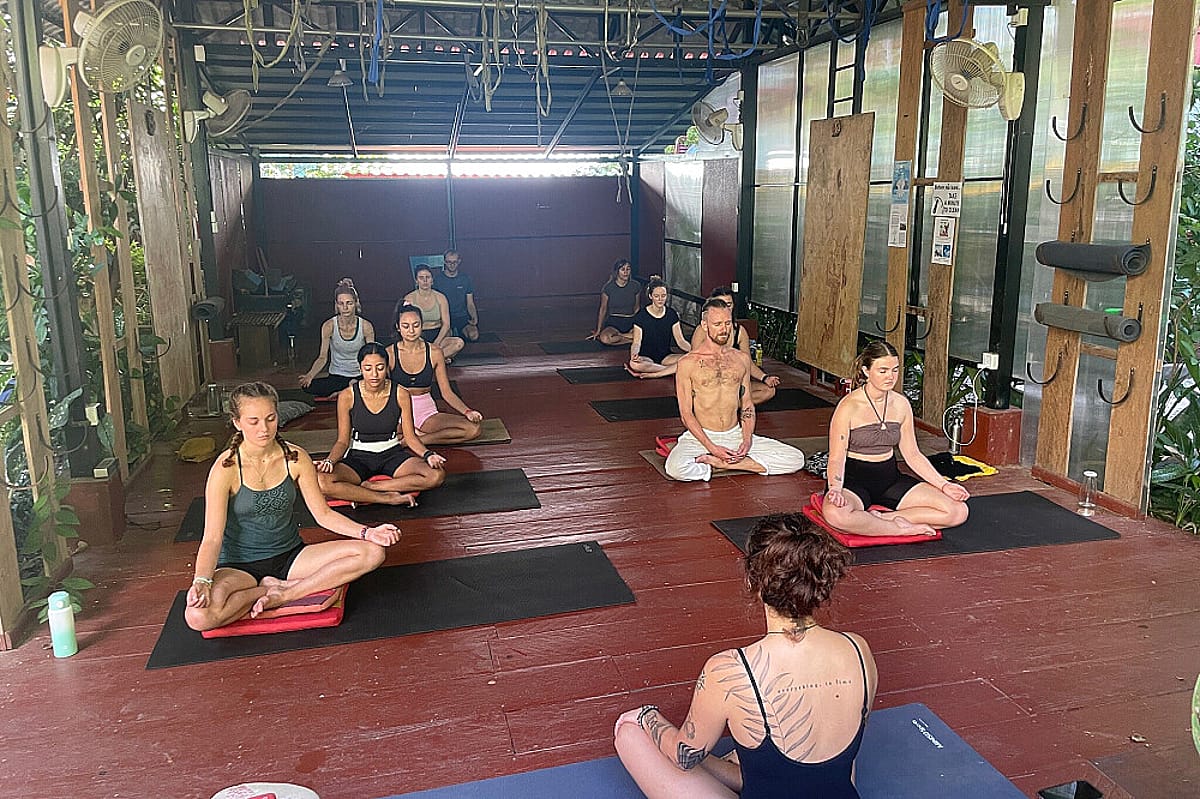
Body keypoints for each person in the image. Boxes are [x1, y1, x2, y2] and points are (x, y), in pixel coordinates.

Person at [615, 513, 878, 799]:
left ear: (754, 583)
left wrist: (647, 716)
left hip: (766, 775)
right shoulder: (859, 649)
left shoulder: (729, 670)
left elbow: (683, 756)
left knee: (629, 734)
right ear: (820, 582)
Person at [184, 382, 402, 631]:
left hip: (291, 557)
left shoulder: (295, 458)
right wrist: (202, 581)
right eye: (253, 421)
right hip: (238, 567)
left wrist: (367, 532)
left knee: (373, 553)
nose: (264, 429)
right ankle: (263, 590)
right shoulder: (225, 468)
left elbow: (323, 514)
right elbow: (212, 538)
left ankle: (285, 594)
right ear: (237, 423)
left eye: (270, 419)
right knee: (198, 617)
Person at [822, 340, 970, 537]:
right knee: (836, 515)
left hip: (889, 478)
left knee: (958, 511)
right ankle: (901, 529)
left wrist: (944, 485)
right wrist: (835, 489)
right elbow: (836, 457)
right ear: (866, 371)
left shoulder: (901, 404)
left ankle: (882, 519)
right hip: (853, 481)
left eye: (895, 370)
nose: (890, 377)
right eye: (882, 371)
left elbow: (912, 454)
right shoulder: (848, 406)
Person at [665, 299, 804, 481]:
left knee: (796, 459)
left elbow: (747, 404)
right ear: (705, 326)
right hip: (700, 437)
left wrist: (747, 440)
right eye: (717, 324)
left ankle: (724, 464)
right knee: (674, 468)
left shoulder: (740, 359)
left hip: (734, 434)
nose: (724, 329)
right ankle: (730, 461)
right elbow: (686, 414)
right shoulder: (687, 363)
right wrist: (712, 448)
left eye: (727, 323)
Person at [315, 342, 448, 506]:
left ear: (387, 368)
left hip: (391, 453)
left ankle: (372, 487)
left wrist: (428, 455)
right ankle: (387, 498)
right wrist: (329, 461)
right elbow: (342, 441)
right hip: (359, 456)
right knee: (322, 481)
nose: (374, 374)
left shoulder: (401, 393)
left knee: (436, 475)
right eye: (368, 368)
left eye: (380, 368)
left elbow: (410, 437)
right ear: (360, 368)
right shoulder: (347, 396)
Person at [630, 286, 780, 405]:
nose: (724, 308)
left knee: (769, 391)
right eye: (720, 304)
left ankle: (728, 405)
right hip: (709, 384)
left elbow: (748, 363)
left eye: (728, 304)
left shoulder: (740, 332)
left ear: (733, 306)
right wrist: (655, 374)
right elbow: (691, 360)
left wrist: (765, 377)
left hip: (732, 382)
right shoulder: (703, 330)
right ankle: (724, 404)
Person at [390, 303, 484, 445]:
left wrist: (467, 412)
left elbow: (446, 392)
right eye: (406, 326)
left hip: (425, 413)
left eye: (416, 325)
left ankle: (416, 440)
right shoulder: (389, 354)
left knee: (473, 429)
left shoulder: (434, 352)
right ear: (398, 327)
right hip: (398, 413)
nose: (411, 330)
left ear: (422, 325)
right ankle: (411, 434)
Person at [298, 278, 376, 397]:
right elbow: (322, 357)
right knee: (308, 386)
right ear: (336, 305)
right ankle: (350, 389)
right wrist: (310, 375)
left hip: (360, 375)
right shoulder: (329, 326)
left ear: (356, 303)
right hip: (337, 376)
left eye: (349, 303)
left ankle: (349, 389)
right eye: (341, 303)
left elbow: (372, 355)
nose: (345, 307)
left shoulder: (366, 326)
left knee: (377, 383)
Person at [627, 278, 692, 375]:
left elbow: (680, 341)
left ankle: (664, 370)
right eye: (656, 296)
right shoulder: (641, 315)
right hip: (646, 357)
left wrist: (694, 351)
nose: (660, 299)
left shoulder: (671, 314)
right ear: (650, 296)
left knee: (690, 359)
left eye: (663, 296)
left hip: (666, 357)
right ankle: (669, 370)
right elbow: (636, 342)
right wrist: (634, 353)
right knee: (634, 364)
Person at [403, 265, 464, 361]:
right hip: (419, 336)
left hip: (438, 334)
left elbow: (446, 324)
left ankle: (430, 360)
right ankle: (439, 359)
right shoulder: (409, 299)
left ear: (432, 280)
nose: (425, 280)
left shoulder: (441, 297)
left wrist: (436, 342)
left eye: (428, 277)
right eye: (421, 278)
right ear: (416, 280)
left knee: (458, 343)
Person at [588, 258, 641, 346]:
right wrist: (598, 330)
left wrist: (638, 324)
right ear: (617, 271)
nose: (626, 272)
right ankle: (630, 339)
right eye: (622, 269)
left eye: (628, 269)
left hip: (630, 319)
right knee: (605, 338)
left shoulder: (635, 286)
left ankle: (623, 337)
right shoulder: (608, 287)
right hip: (614, 321)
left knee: (642, 334)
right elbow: (603, 309)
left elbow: (637, 307)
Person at [434, 249, 480, 343]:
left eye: (454, 262)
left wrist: (474, 317)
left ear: (459, 261)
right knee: (446, 338)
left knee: (474, 335)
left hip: (462, 316)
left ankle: (459, 333)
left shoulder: (466, 279)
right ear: (444, 262)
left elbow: (470, 303)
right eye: (449, 262)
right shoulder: (437, 280)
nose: (452, 265)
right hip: (445, 317)